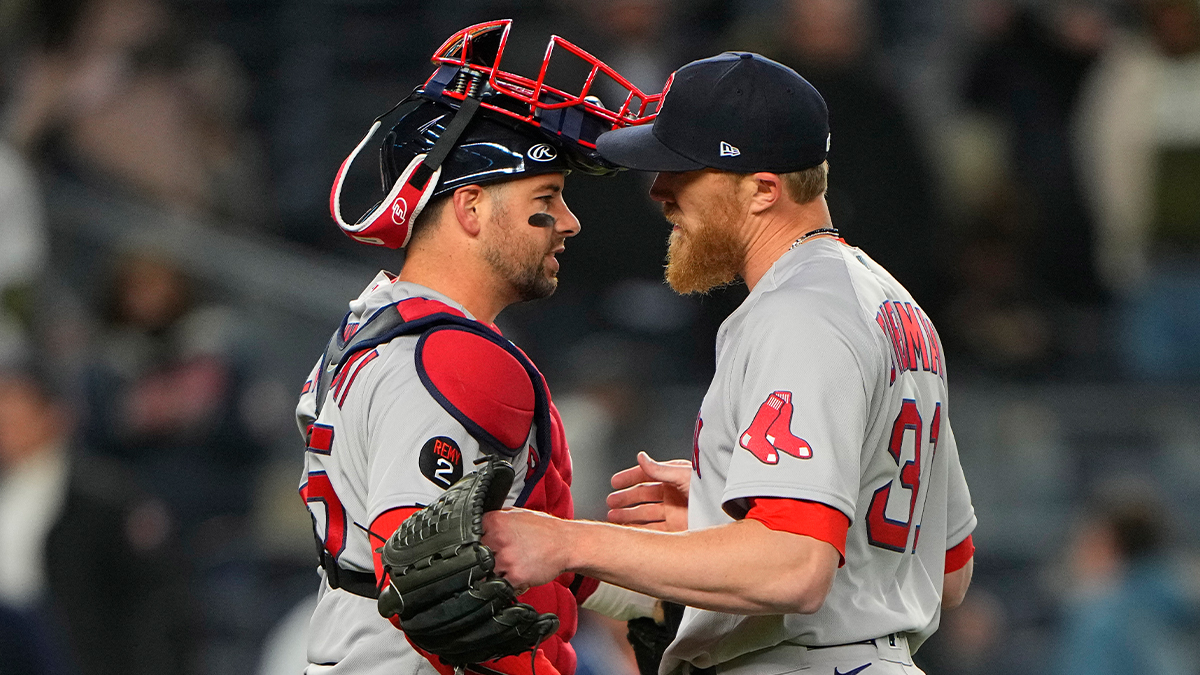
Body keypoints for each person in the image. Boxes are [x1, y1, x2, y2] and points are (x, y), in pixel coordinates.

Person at [482, 52, 977, 675]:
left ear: (763, 190)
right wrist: (730, 506)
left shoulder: (800, 313)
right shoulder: (891, 305)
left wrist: (568, 542)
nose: (659, 191)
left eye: (682, 173)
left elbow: (795, 568)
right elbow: (945, 569)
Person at [295, 20, 662, 675]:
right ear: (469, 208)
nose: (569, 222)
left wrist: (649, 600)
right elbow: (430, 586)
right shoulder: (451, 355)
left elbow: (502, 554)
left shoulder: (378, 324)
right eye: (545, 198)